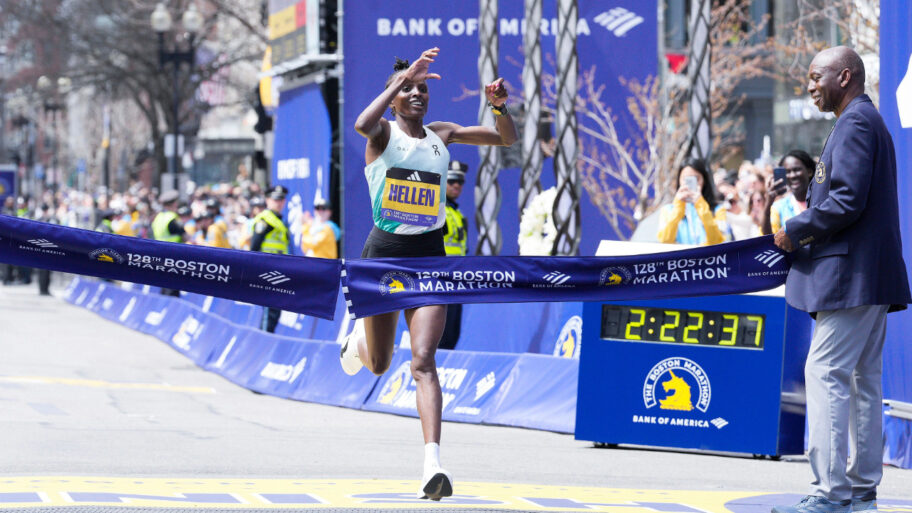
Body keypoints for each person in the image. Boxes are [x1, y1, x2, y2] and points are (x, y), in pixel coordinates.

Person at [341, 47, 517, 500]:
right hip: (382, 259)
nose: (418, 94)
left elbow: (506, 140)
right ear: (394, 98)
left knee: (422, 361)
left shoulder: (443, 135)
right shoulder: (380, 136)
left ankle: (432, 466)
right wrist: (401, 77)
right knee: (379, 364)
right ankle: (357, 340)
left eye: (423, 89)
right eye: (409, 90)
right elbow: (360, 124)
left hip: (430, 262)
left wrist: (498, 106)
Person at [771, 46, 911, 513]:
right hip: (867, 278)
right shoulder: (863, 121)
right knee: (861, 380)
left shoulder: (855, 123)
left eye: (816, 77)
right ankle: (859, 488)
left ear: (844, 75)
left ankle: (831, 493)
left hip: (850, 277)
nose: (809, 86)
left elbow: (846, 200)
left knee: (826, 372)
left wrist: (794, 229)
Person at [656, 158, 728, 245]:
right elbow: (665, 240)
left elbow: (718, 241)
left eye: (696, 179)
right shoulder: (667, 210)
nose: (690, 183)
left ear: (704, 180)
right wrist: (678, 208)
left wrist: (701, 206)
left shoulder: (718, 210)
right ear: (679, 180)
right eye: (685, 179)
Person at [250, 185, 289, 333]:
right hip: (267, 270)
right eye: (275, 199)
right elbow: (254, 247)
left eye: (281, 199)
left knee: (274, 311)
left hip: (278, 271)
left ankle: (265, 340)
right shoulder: (266, 219)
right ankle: (263, 343)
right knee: (269, 312)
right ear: (267, 200)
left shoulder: (278, 220)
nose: (279, 203)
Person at [439, 160, 469, 350]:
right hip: (440, 279)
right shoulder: (437, 210)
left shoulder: (458, 214)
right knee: (439, 334)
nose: (456, 186)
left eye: (460, 182)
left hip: (457, 278)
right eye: (451, 182)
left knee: (452, 334)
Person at [761, 150, 814, 235]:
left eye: (797, 170)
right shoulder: (779, 208)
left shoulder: (822, 202)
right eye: (787, 172)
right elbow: (768, 239)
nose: (792, 175)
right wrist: (768, 204)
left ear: (809, 172)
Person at [152, 190, 186, 297]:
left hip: (160, 255)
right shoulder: (172, 218)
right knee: (172, 288)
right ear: (174, 203)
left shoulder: (157, 218)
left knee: (164, 286)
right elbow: (185, 236)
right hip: (174, 256)